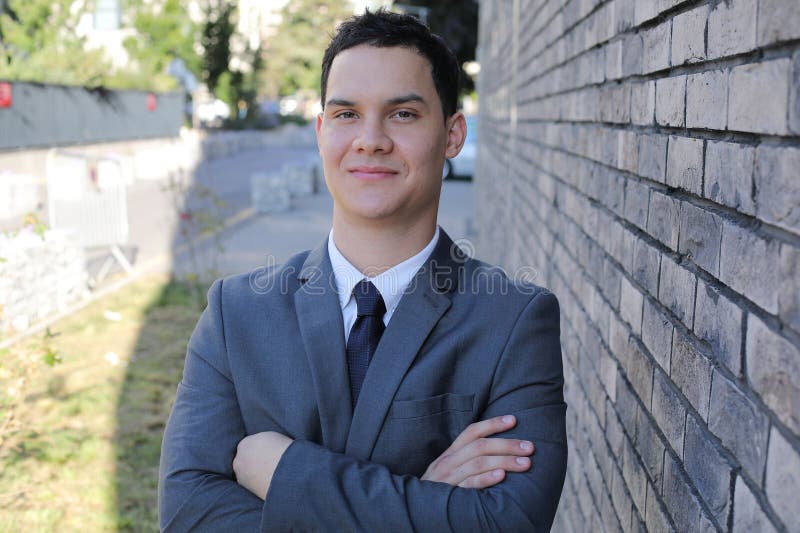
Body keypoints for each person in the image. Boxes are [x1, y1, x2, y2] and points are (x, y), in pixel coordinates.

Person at [158, 9, 567, 532]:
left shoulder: (514, 320)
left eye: (402, 114)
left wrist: (286, 473)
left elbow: (506, 525)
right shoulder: (234, 313)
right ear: (321, 130)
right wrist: (425, 497)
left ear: (453, 135)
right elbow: (189, 516)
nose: (370, 139)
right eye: (347, 114)